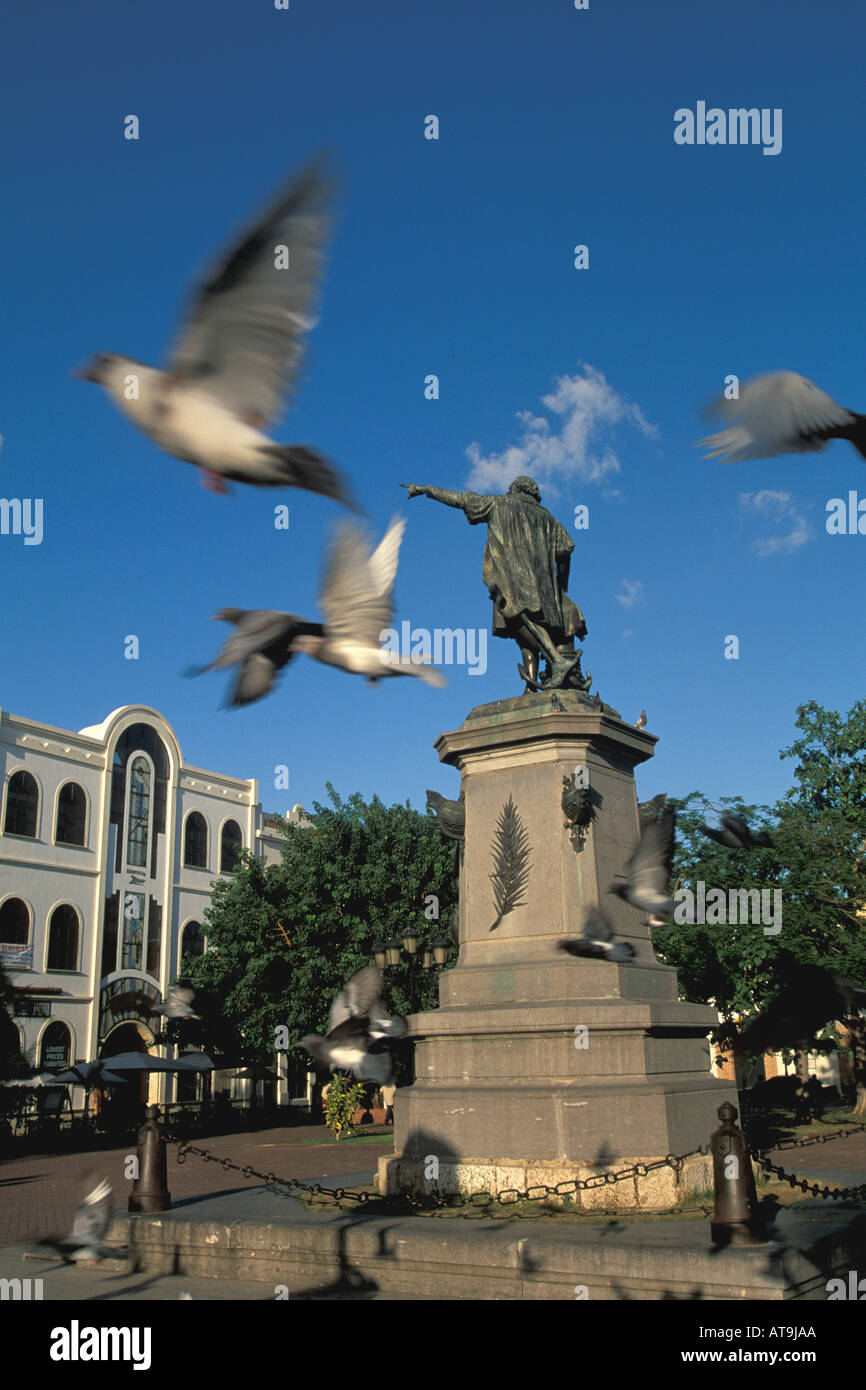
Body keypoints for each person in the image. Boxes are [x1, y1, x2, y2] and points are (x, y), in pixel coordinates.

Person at [406, 475, 589, 692]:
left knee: (521, 624)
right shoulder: (548, 518)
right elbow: (566, 550)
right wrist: (561, 585)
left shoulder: (499, 503)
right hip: (546, 589)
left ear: (515, 489)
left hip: (511, 579)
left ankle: (557, 662)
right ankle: (531, 686)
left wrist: (427, 489)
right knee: (523, 631)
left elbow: (460, 500)